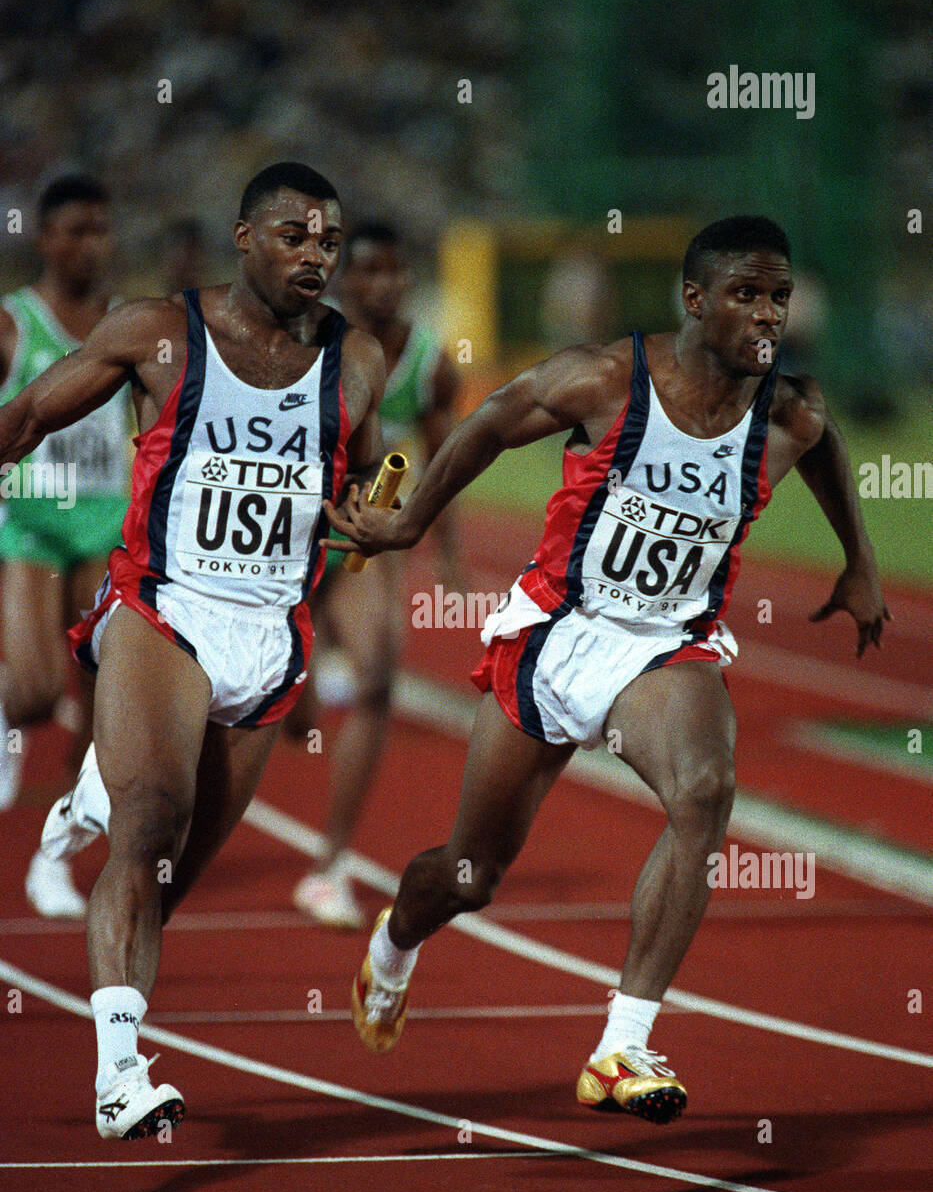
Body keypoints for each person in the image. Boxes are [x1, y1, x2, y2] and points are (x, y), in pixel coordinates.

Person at [324, 215, 890, 1125]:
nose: (766, 314)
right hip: (555, 633)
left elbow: (822, 447)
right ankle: (395, 942)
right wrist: (413, 519)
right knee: (471, 874)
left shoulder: (787, 409)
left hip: (666, 647)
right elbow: (488, 423)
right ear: (695, 300)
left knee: (704, 791)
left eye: (778, 296)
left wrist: (857, 559)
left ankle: (620, 1044)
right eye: (745, 294)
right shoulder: (605, 378)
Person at [0, 162, 386, 1140]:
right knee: (151, 825)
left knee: (180, 868)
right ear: (243, 237)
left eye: (329, 242)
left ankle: (90, 795)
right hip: (165, 609)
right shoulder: (157, 333)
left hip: (271, 638)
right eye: (295, 237)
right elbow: (31, 416)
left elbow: (374, 466)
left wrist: (384, 511)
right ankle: (120, 1072)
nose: (316, 257)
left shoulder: (359, 358)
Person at [284, 221, 461, 929]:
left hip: (365, 541)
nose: (383, 286)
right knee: (281, 708)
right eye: (369, 273)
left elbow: (445, 462)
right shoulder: (306, 341)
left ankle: (329, 865)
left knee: (378, 676)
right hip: (291, 538)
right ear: (343, 279)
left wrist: (446, 554)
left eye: (395, 273)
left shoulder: (427, 362)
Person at [0, 175, 133, 917]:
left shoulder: (127, 325)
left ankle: (55, 859)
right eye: (75, 230)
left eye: (101, 230)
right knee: (34, 691)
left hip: (107, 525)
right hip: (30, 521)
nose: (90, 245)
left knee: (103, 706)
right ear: (45, 237)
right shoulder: (14, 325)